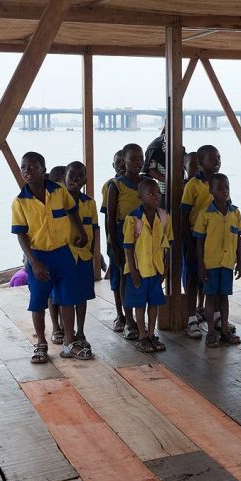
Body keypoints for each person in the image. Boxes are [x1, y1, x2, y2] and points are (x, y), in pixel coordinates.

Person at [13, 151, 88, 362]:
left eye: (33, 166)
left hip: (63, 252)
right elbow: (21, 235)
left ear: (44, 170)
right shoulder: (20, 202)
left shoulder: (59, 191)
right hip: (38, 256)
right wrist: (33, 262)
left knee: (67, 298)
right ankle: (41, 344)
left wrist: (81, 232)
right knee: (37, 301)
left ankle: (70, 342)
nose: (28, 170)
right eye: (24, 167)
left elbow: (73, 211)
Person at [193, 173, 241, 347]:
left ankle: (224, 330)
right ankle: (211, 333)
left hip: (227, 262)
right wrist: (201, 265)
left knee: (224, 296)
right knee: (211, 297)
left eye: (227, 188)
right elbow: (199, 242)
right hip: (211, 263)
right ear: (211, 190)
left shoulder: (235, 212)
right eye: (220, 188)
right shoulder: (205, 214)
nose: (224, 191)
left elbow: (237, 237)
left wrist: (239, 261)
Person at [123, 178, 172, 353]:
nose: (155, 196)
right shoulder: (133, 218)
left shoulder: (164, 217)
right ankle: (142, 336)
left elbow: (167, 244)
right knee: (140, 304)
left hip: (156, 269)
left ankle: (152, 334)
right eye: (150, 193)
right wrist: (133, 270)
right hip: (140, 270)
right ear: (140, 196)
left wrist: (165, 266)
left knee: (154, 303)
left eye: (157, 193)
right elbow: (128, 246)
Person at [181, 144, 221, 339]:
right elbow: (184, 215)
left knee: (214, 279)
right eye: (212, 159)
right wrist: (188, 245)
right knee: (193, 279)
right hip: (196, 239)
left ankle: (216, 316)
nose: (217, 162)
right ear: (201, 164)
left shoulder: (219, 183)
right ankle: (190, 319)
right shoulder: (192, 186)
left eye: (219, 158)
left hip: (215, 241)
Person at [105, 143, 144, 338]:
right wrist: (114, 245)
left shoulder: (146, 182)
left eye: (140, 158)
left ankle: (141, 319)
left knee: (143, 275)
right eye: (133, 159)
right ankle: (128, 320)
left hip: (145, 238)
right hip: (123, 237)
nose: (138, 162)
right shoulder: (116, 185)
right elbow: (110, 218)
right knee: (125, 276)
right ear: (124, 161)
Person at [63, 161, 98, 349]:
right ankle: (65, 331)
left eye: (79, 176)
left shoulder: (89, 203)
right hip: (64, 256)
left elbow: (94, 230)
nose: (75, 179)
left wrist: (94, 255)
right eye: (71, 176)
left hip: (84, 257)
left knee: (82, 297)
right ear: (64, 178)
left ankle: (81, 331)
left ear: (85, 180)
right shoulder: (58, 202)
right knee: (66, 296)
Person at [100, 148, 127, 331]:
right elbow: (108, 216)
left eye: (124, 162)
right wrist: (110, 242)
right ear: (113, 166)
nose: (122, 166)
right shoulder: (111, 185)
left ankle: (134, 314)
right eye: (118, 164)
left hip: (139, 237)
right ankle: (120, 314)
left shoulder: (141, 183)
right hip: (117, 235)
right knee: (117, 276)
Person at [46, 163, 69, 345]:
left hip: (67, 253)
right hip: (46, 254)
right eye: (58, 181)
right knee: (52, 294)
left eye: (64, 181)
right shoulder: (46, 201)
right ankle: (55, 326)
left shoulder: (70, 201)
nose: (62, 185)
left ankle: (66, 326)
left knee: (66, 293)